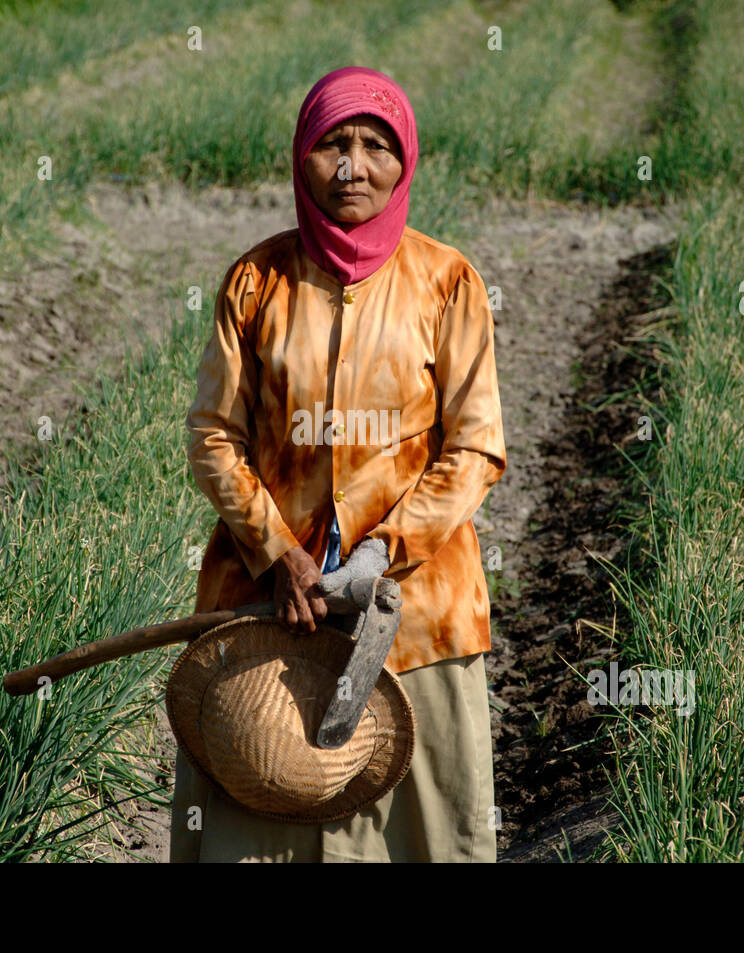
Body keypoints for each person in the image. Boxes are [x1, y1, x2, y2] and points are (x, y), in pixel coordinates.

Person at [170, 66, 507, 862]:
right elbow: (214, 436)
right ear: (301, 158)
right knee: (254, 819)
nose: (354, 166)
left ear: (406, 161)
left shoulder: (446, 282)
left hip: (414, 621)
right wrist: (275, 551)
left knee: (424, 838)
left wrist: (381, 554)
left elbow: (475, 447)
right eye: (332, 144)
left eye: (375, 145)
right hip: (263, 616)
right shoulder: (256, 283)